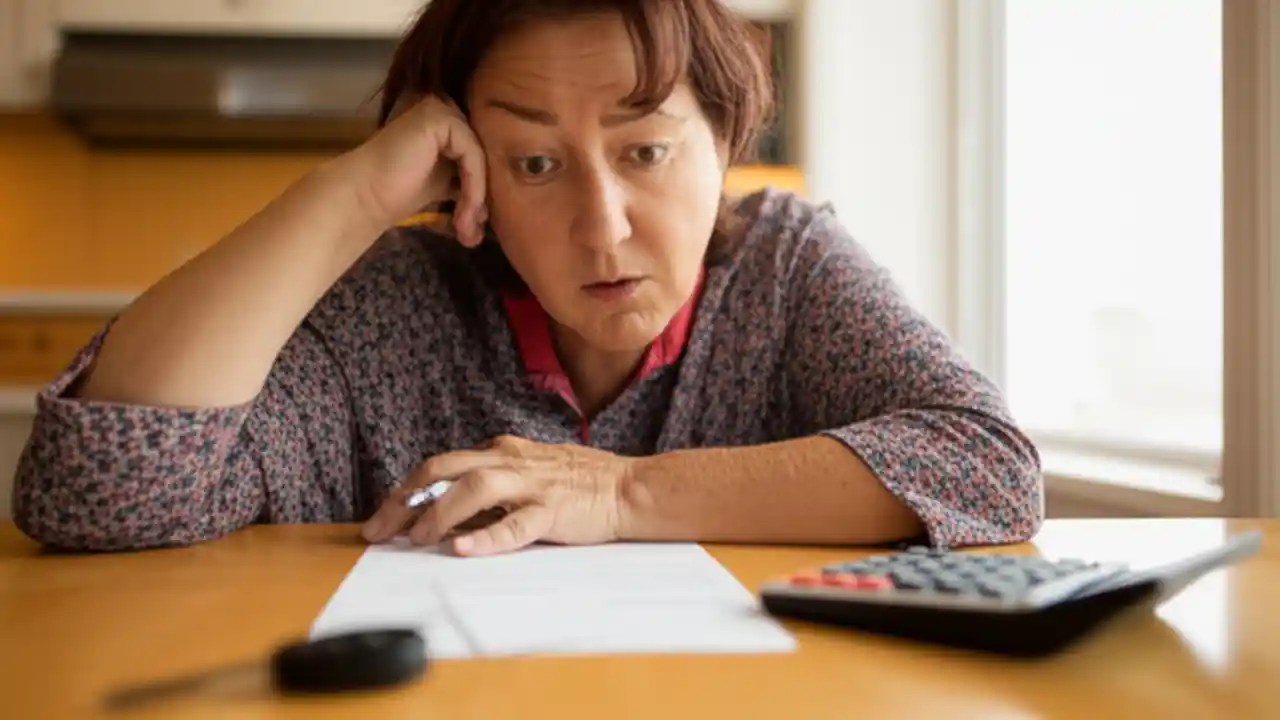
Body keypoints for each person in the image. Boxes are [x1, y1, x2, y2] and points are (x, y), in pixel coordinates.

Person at [11, 0, 1042, 555]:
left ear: (724, 138)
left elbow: (982, 465)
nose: (602, 226)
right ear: (471, 175)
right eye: (535, 164)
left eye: (644, 151)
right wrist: (356, 194)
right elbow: (104, 497)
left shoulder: (786, 267)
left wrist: (619, 492)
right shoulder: (391, 307)